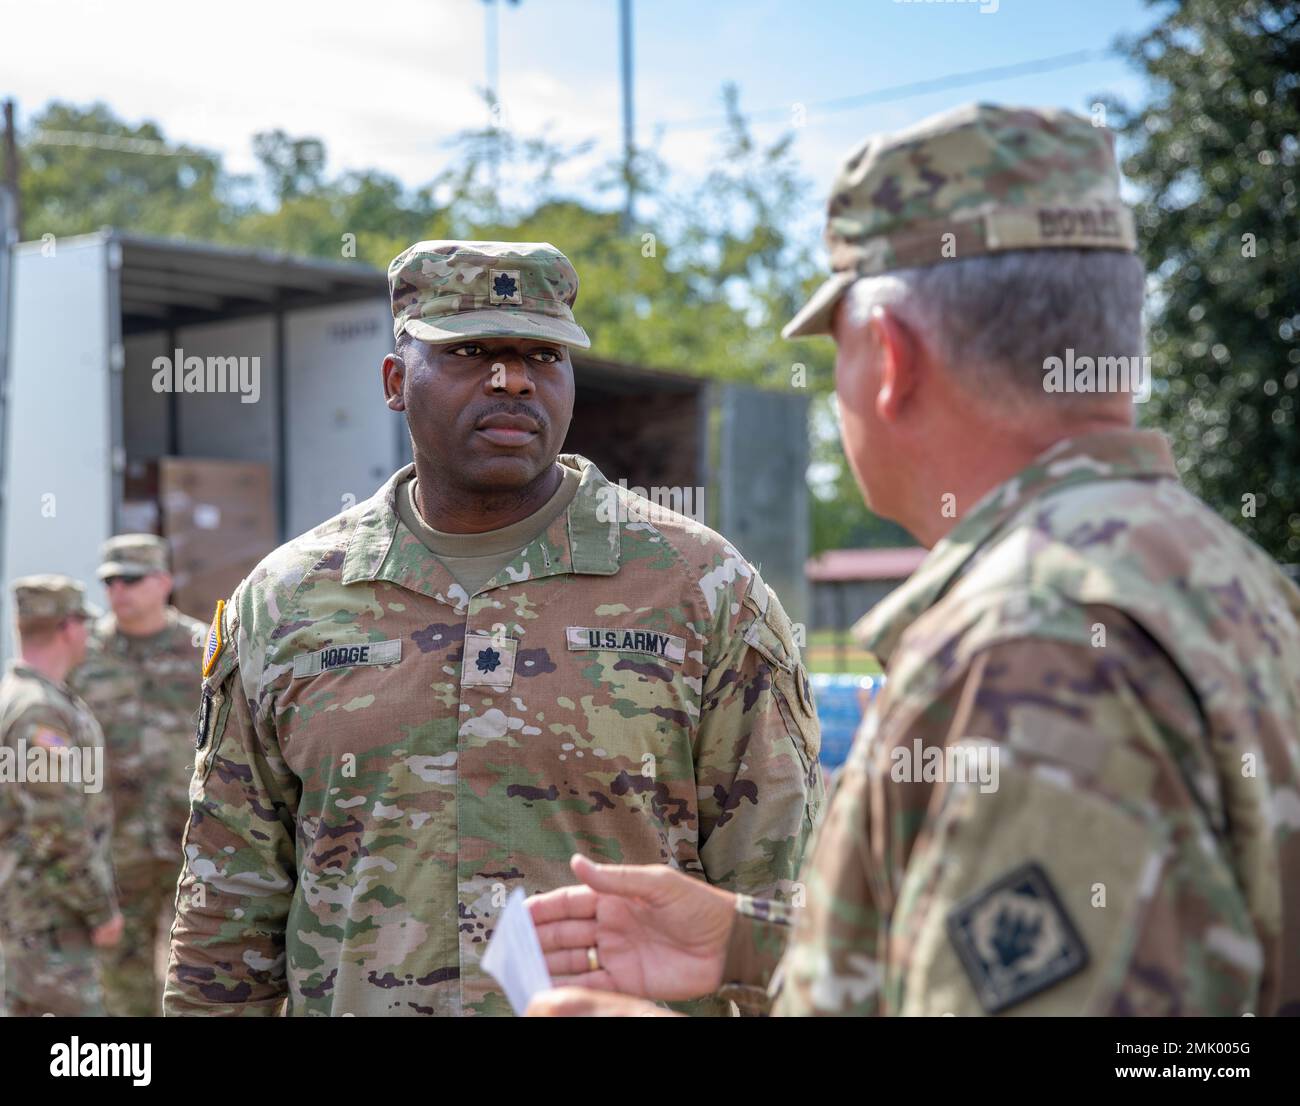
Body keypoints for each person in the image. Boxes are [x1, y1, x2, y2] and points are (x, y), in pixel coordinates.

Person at [524, 103, 1300, 1017]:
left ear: (889, 356)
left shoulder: (1030, 646)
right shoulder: (1226, 576)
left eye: (837, 346)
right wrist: (747, 940)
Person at [164, 239, 824, 1016]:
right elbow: (226, 913)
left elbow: (779, 903)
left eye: (542, 355)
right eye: (471, 352)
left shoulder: (700, 588)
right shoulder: (285, 601)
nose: (511, 380)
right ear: (393, 382)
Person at [70, 534, 205, 1016]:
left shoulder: (205, 648)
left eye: (130, 579)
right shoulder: (85, 655)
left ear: (163, 582)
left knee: (198, 970)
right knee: (120, 975)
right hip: (117, 842)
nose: (118, 591)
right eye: (110, 582)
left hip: (193, 840)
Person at [0, 575, 122, 1016]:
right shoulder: (40, 710)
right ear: (68, 627)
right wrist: (100, 908)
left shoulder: (23, 696)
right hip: (49, 919)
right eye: (84, 624)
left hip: (33, 914)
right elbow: (54, 827)